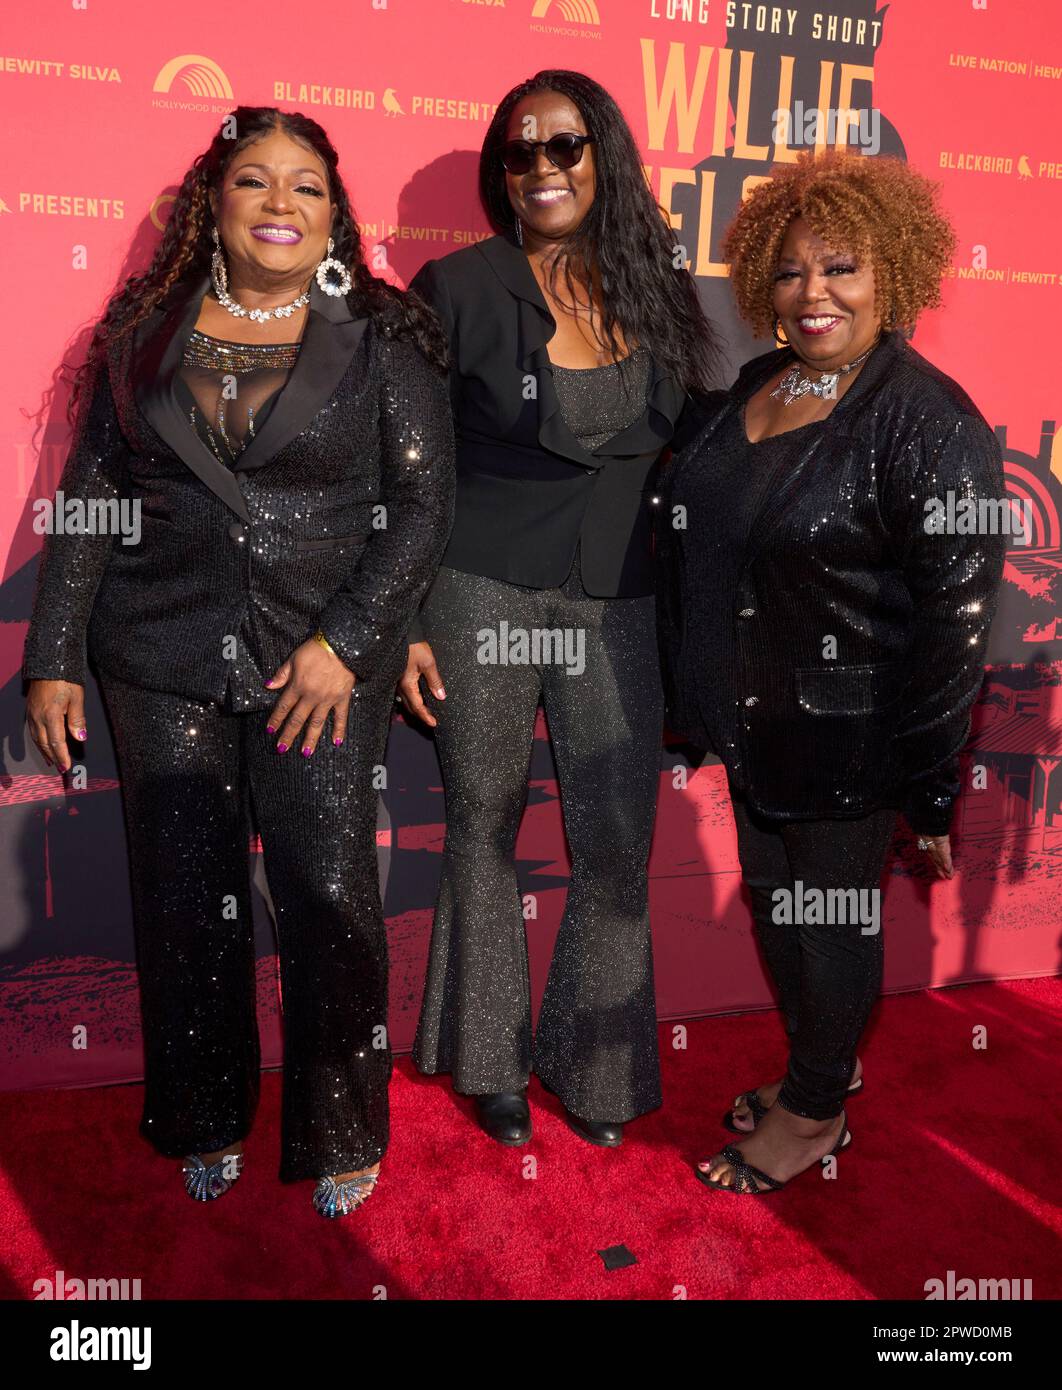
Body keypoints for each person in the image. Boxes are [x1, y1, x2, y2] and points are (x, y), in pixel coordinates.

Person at [22, 107, 455, 1216]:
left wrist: (344, 645)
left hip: (316, 665)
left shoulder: (383, 339)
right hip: (157, 654)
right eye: (254, 181)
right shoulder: (144, 340)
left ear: (333, 215)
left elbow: (420, 508)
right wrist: (55, 650)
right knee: (181, 901)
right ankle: (204, 1109)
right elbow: (95, 500)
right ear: (213, 205)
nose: (279, 204)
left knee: (327, 897)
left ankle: (345, 1124)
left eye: (305, 187)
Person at [655, 149, 1006, 1193]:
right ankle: (821, 1067)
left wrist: (929, 782)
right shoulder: (762, 381)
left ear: (892, 273)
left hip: (850, 737)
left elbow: (958, 623)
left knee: (830, 921)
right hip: (758, 723)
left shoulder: (930, 421)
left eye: (842, 268)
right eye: (793, 272)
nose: (815, 295)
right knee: (777, 910)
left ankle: (813, 1115)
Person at [397, 70, 719, 1148]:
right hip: (479, 584)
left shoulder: (662, 288)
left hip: (616, 593)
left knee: (618, 837)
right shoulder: (458, 286)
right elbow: (411, 474)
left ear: (605, 155)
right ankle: (489, 1057)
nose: (540, 167)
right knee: (483, 822)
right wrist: (398, 626)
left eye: (564, 146)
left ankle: (600, 1063)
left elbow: (708, 443)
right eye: (519, 152)